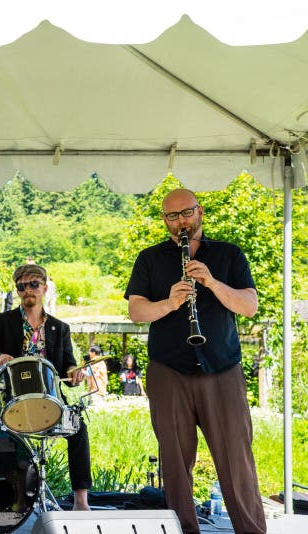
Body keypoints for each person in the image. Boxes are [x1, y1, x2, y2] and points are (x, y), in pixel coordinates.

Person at [125, 188, 266, 534]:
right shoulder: (150, 258)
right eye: (172, 216)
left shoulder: (230, 255)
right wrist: (170, 303)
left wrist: (213, 283)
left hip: (222, 369)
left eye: (186, 213)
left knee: (237, 461)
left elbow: (249, 305)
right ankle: (184, 529)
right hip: (168, 369)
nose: (181, 222)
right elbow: (135, 310)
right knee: (174, 464)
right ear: (164, 220)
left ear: (200, 211)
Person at [0, 263, 92, 511]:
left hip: (51, 401)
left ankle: (81, 501)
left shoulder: (59, 328)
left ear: (45, 287)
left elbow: (67, 367)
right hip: (12, 401)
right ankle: (11, 499)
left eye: (33, 285)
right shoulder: (1, 322)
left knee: (78, 428)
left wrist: (75, 374)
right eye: (21, 286)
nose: (27, 290)